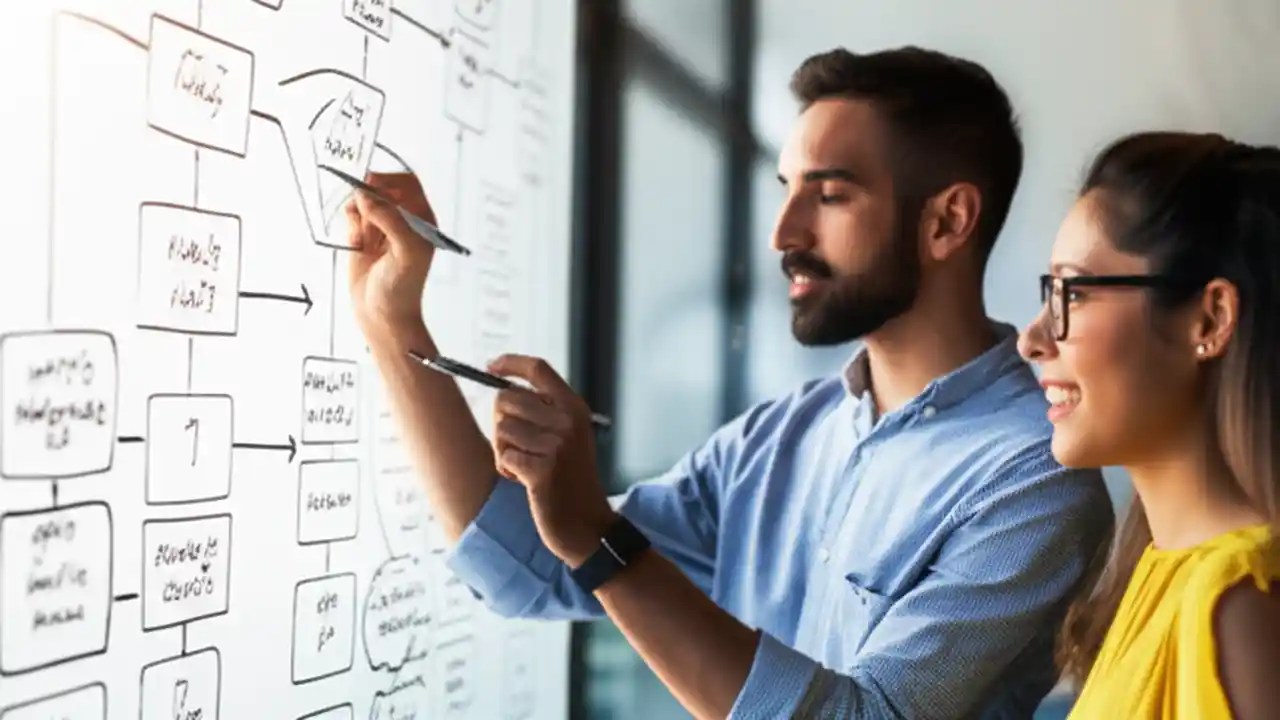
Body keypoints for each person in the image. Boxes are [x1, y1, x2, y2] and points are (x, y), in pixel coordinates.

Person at [347, 47, 1112, 718]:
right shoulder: (779, 438)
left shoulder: (1036, 479)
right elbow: (526, 567)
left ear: (946, 222)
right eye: (787, 188)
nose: (783, 233)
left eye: (829, 194)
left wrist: (600, 540)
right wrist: (393, 324)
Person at [1017, 132, 1280, 719]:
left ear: (1210, 319)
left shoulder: (1237, 601)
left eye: (1073, 294)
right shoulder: (1159, 575)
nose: (1031, 339)